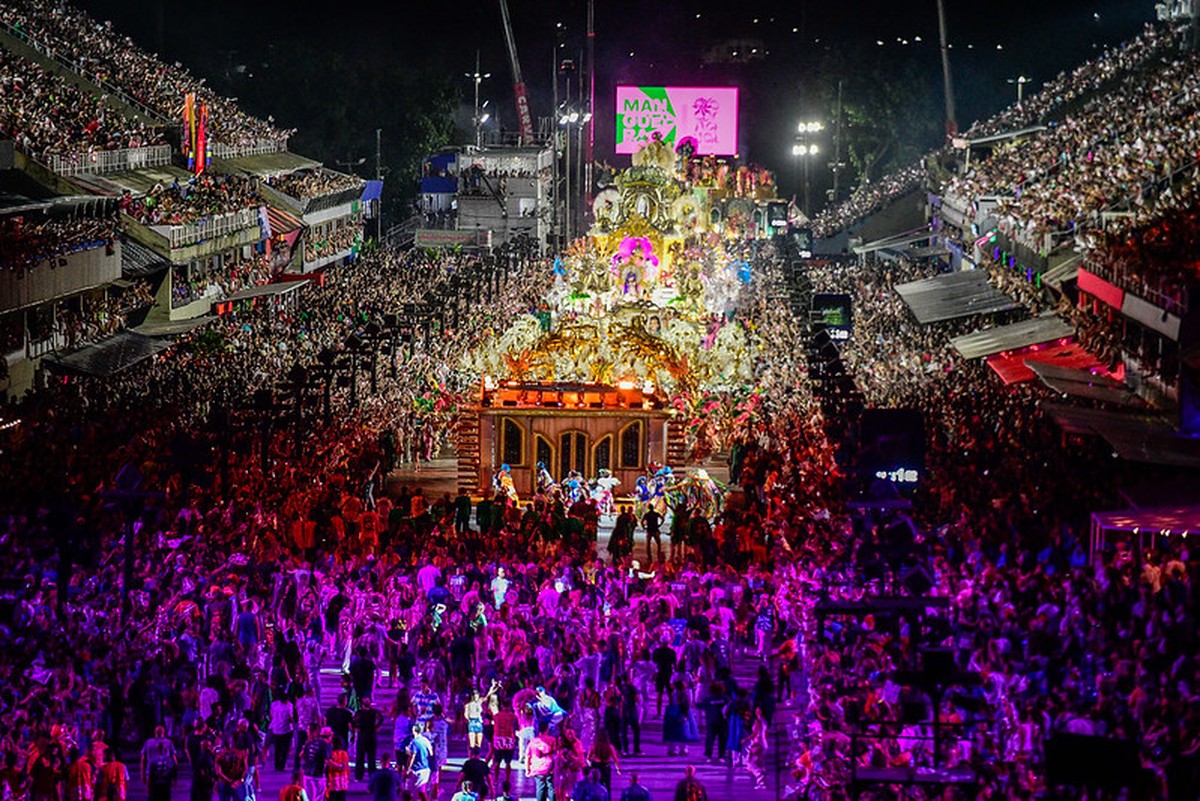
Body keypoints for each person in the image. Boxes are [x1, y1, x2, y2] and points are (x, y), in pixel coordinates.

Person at [141, 725, 177, 801]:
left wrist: (142, 773)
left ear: (155, 733)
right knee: (165, 796)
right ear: (164, 733)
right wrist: (175, 776)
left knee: (152, 795)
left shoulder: (148, 742)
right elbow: (174, 760)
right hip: (166, 773)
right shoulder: (169, 742)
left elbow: (143, 759)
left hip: (151, 773)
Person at [353, 696, 384, 780]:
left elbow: (353, 721)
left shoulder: (359, 713)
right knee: (372, 758)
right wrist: (377, 726)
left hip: (362, 736)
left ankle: (359, 776)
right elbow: (381, 718)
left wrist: (356, 728)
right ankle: (372, 775)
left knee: (360, 758)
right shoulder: (374, 712)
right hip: (372, 736)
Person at [524, 723, 557, 801]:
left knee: (540, 787)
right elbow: (556, 753)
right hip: (550, 767)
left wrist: (527, 769)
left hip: (537, 768)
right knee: (551, 787)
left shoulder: (533, 741)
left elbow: (528, 756)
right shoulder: (552, 740)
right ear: (547, 729)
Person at [300, 727, 332, 801]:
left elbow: (301, 755)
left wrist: (309, 761)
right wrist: (340, 766)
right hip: (318, 775)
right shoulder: (325, 745)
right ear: (330, 736)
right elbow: (327, 760)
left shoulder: (310, 742)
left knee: (308, 797)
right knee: (318, 797)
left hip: (307, 774)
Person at [404, 724, 433, 801]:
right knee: (422, 790)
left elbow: (412, 756)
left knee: (409, 792)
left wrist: (407, 769)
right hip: (426, 768)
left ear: (414, 731)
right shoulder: (426, 740)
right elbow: (431, 753)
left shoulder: (414, 742)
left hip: (416, 770)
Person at [324, 737, 350, 801]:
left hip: (333, 781)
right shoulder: (345, 753)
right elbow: (346, 766)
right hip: (343, 781)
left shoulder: (332, 754)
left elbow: (328, 766)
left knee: (332, 798)